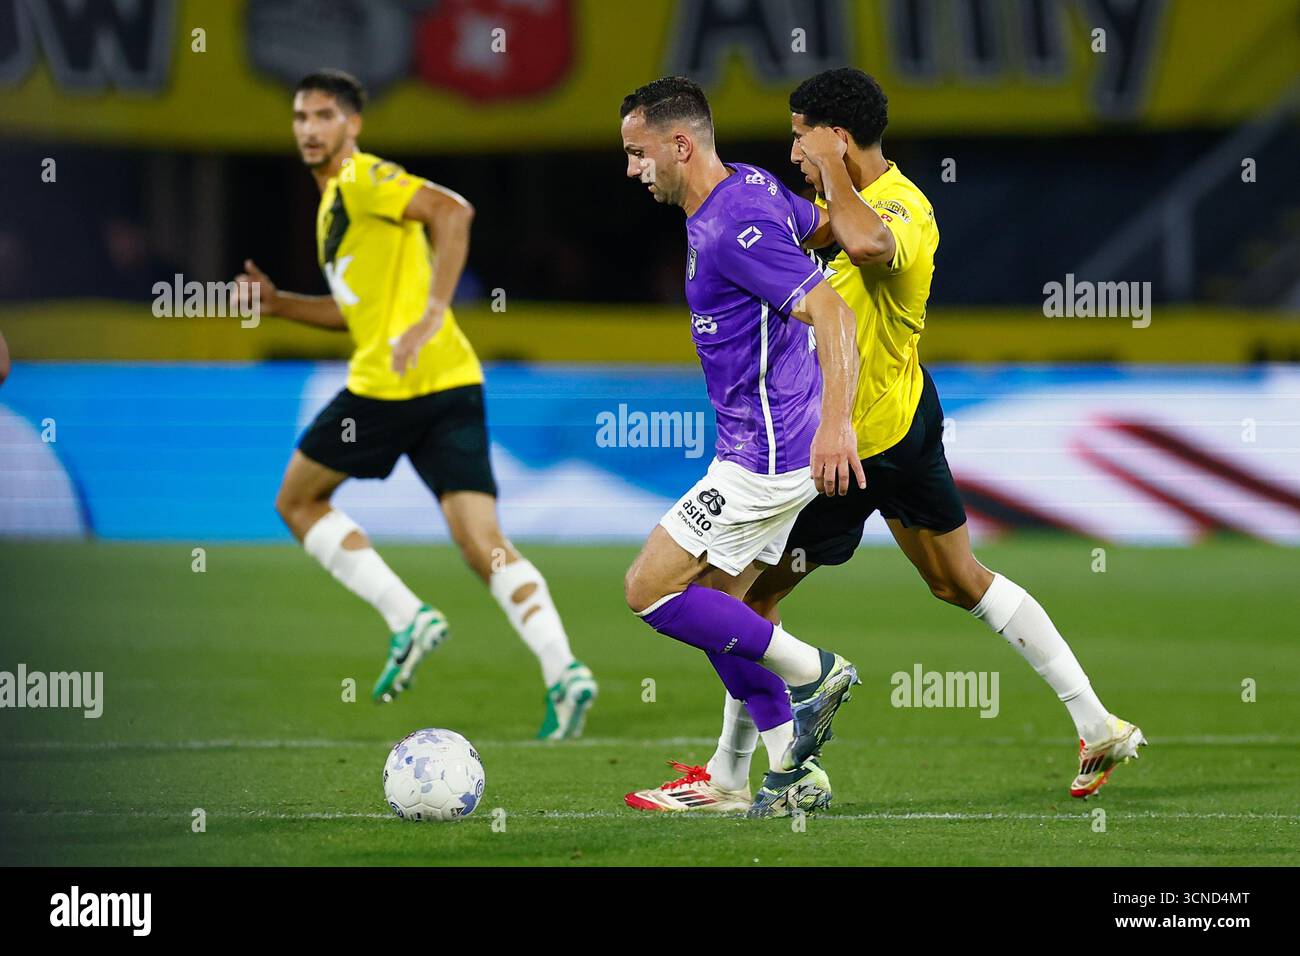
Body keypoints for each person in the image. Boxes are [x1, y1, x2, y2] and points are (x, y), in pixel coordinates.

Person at [232, 69, 596, 739]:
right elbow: (353, 315)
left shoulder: (362, 179)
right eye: (300, 117)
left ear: (353, 125)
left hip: (390, 386)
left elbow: (453, 211)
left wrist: (433, 310)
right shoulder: (333, 211)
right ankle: (564, 670)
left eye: (323, 116)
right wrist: (281, 304)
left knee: (297, 501)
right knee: (482, 544)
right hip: (452, 382)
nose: (310, 129)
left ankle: (406, 617)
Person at [617, 76, 863, 818]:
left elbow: (831, 308)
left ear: (679, 145)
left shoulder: (731, 228)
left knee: (650, 589)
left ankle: (815, 672)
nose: (632, 169)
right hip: (768, 446)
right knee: (727, 614)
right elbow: (819, 230)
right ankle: (785, 769)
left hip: (765, 456)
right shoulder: (750, 186)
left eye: (638, 153)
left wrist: (838, 422)